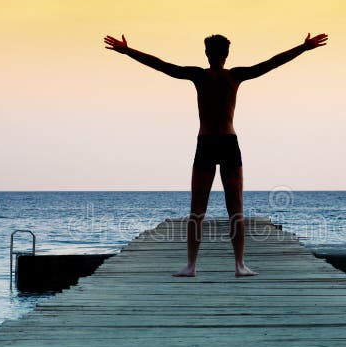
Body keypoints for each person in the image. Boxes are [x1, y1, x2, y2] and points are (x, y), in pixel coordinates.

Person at [104, 31, 328, 277]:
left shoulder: (201, 75)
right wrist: (303, 47)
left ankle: (193, 266)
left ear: (207, 53)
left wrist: (127, 51)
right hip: (226, 143)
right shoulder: (233, 75)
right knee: (232, 209)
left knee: (200, 210)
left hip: (208, 143)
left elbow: (162, 66)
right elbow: (271, 63)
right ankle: (237, 265)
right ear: (226, 54)